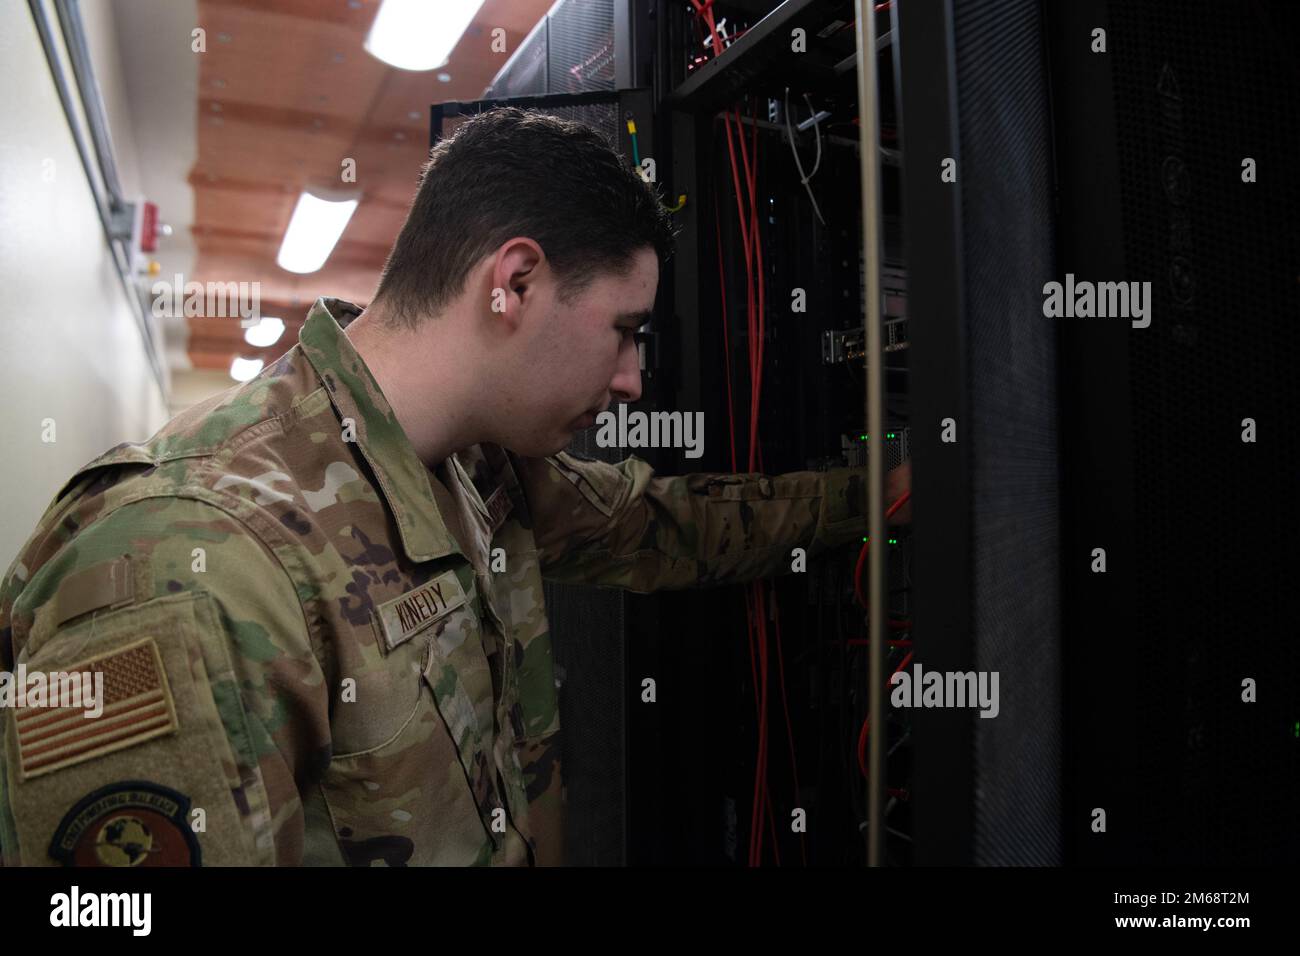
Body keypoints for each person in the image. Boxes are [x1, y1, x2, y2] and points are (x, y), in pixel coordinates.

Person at [0, 107, 909, 867]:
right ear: (513, 282)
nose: (633, 378)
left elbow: (659, 526)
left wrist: (889, 489)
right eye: (626, 331)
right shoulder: (190, 560)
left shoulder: (477, 465)